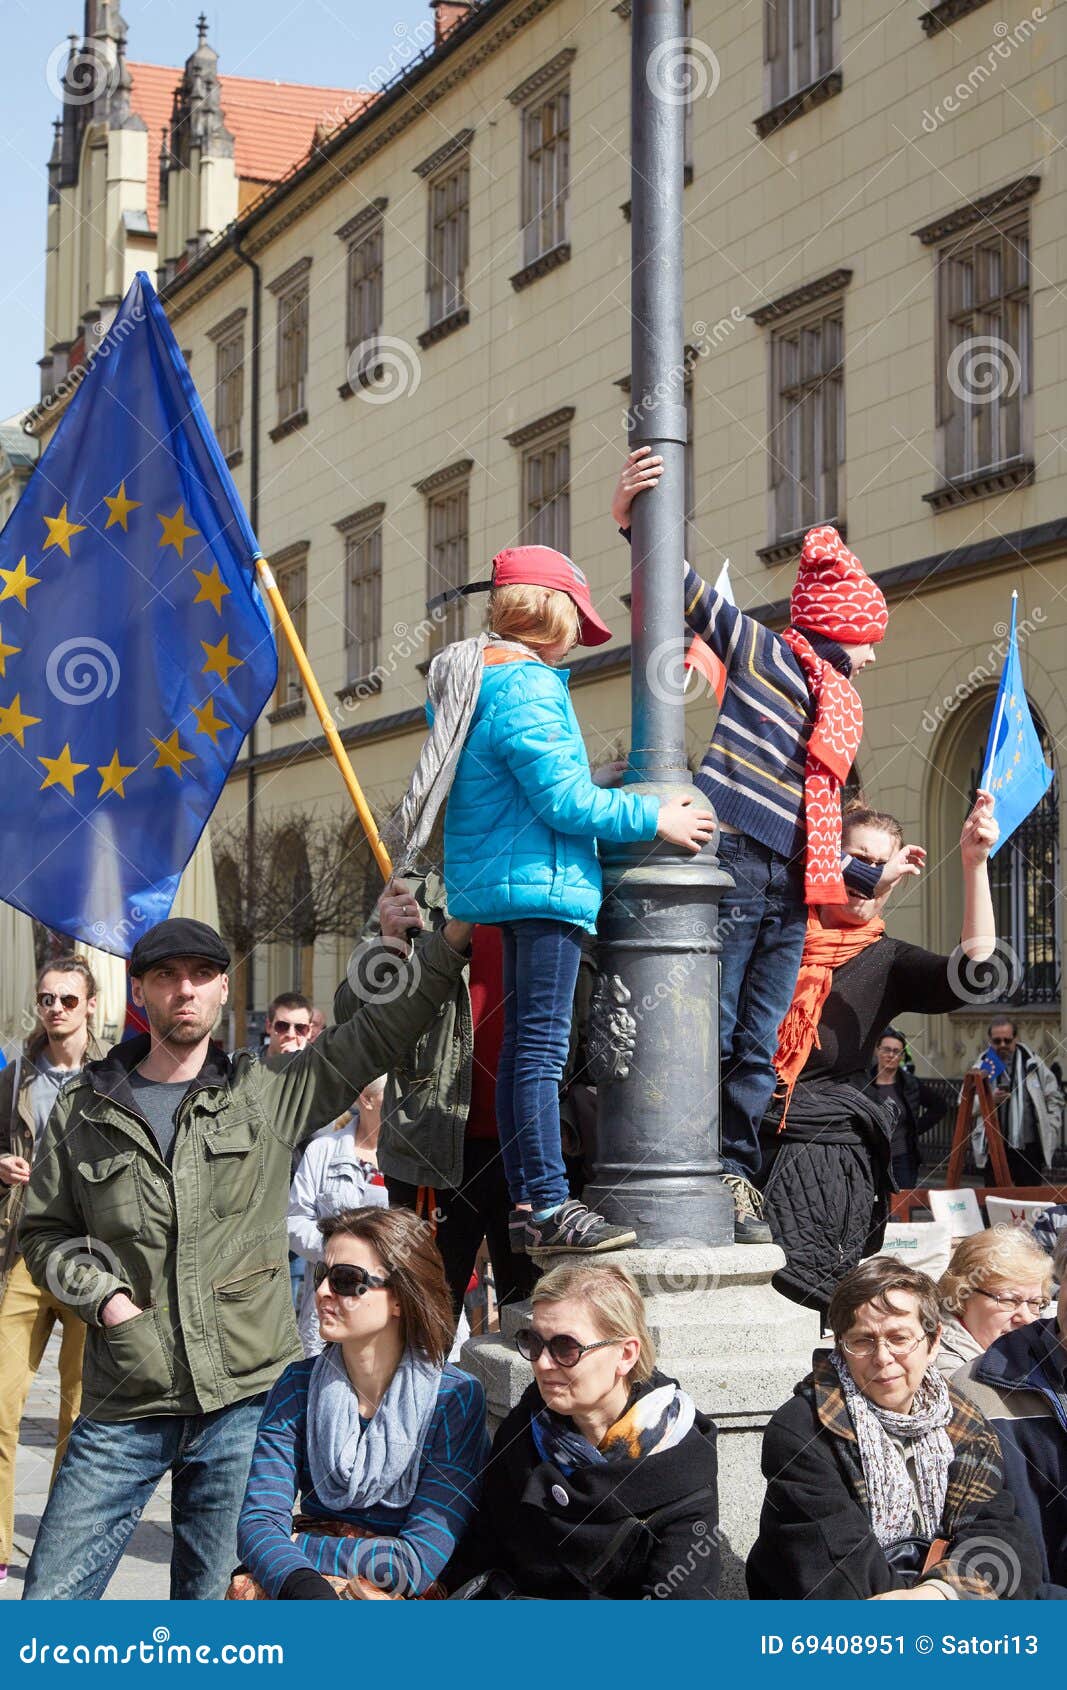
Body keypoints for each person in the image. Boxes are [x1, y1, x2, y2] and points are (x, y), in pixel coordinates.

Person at [18, 910, 473, 1600]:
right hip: (128, 1394)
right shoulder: (85, 1107)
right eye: (166, 976)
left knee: (212, 1610)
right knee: (51, 1599)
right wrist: (106, 1300)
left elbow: (381, 1029)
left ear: (224, 988)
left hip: (243, 1402)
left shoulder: (268, 1091)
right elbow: (44, 1233)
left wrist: (451, 943)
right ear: (138, 991)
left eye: (201, 975)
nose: (185, 990)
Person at [613, 448, 920, 1243]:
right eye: (867, 638)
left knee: (755, 1038)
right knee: (707, 1024)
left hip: (788, 879)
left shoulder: (837, 709)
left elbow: (814, 819)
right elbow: (684, 598)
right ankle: (683, 1160)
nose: (873, 655)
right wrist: (631, 520)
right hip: (736, 856)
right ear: (838, 630)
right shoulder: (766, 654)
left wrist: (867, 873)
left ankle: (735, 1178)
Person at [385, 544, 714, 1254]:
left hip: (507, 884)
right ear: (555, 612)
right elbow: (565, 802)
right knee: (538, 1052)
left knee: (520, 1058)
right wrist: (654, 817)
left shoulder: (480, 681)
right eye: (577, 619)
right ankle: (546, 1200)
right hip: (543, 885)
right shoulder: (528, 686)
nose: (576, 637)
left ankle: (531, 1198)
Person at [760, 793, 999, 1315]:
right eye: (855, 858)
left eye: (878, 863)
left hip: (826, 1157)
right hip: (740, 1144)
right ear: (826, 857)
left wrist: (974, 864)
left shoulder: (887, 960)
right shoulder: (770, 931)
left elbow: (975, 975)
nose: (865, 874)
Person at [746, 1256, 1041, 1600]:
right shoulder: (803, 1428)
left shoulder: (964, 1423)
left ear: (933, 1343)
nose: (883, 1358)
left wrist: (941, 1593)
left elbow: (1001, 1535)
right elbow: (837, 1567)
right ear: (840, 1347)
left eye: (899, 1338)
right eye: (862, 1341)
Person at [231, 1207, 488, 1600]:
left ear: (401, 1298)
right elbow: (258, 1522)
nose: (321, 1293)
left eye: (346, 1281)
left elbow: (416, 1562)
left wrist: (296, 1547)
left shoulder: (453, 1399)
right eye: (321, 1275)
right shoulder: (297, 1385)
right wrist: (302, 1583)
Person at [336, 874, 545, 1320]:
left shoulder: (554, 886)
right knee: (419, 1324)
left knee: (537, 1325)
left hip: (534, 1158)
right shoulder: (420, 898)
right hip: (431, 1152)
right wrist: (388, 943)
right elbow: (351, 1019)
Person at [448, 1261, 719, 1599]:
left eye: (566, 1347)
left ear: (626, 1354)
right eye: (533, 1342)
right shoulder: (521, 1432)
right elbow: (480, 1562)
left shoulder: (680, 1458)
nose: (543, 1363)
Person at [0, 956, 103, 1586]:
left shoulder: (117, 1077)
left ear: (91, 1004)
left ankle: (62, 1546)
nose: (56, 1009)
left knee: (80, 1413)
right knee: (1, 1400)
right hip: (23, 1255)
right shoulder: (12, 1078)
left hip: (94, 1260)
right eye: (47, 999)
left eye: (68, 999)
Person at [954, 1229, 1067, 1596]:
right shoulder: (974, 1390)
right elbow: (971, 1536)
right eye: (1008, 1299)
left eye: (1033, 1302)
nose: (1022, 1316)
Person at [288, 1089, 389, 1356]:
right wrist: (344, 1258)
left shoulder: (420, 1157)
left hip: (396, 1311)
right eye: (395, 1095)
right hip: (334, 1308)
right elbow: (295, 1221)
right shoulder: (323, 1150)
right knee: (331, 1386)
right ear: (367, 1099)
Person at [934, 1229, 1052, 1375]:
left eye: (1034, 1303)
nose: (1027, 1319)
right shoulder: (947, 1371)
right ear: (962, 1295)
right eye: (1009, 1300)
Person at [972, 1016, 1062, 1187]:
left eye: (1007, 1040)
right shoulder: (984, 1065)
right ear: (990, 1040)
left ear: (1016, 1038)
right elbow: (964, 1103)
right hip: (994, 1147)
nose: (1003, 1045)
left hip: (1029, 1147)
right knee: (994, 1203)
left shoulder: (1032, 1062)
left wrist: (1051, 1126)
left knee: (1029, 1205)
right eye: (997, 1041)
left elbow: (1054, 1097)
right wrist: (988, 1100)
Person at [864, 1027, 944, 1190]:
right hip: (871, 1158)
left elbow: (940, 1106)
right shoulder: (864, 1084)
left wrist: (914, 1128)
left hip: (903, 1160)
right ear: (877, 1051)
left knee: (902, 1207)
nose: (891, 1055)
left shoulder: (910, 1084)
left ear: (901, 1056)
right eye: (886, 1049)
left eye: (896, 1051)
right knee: (874, 1205)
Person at [264, 993, 313, 1058]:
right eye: (282, 1026)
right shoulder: (248, 1063)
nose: (291, 1035)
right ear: (269, 1027)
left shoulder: (319, 1065)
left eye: (300, 1028)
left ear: (309, 1031)